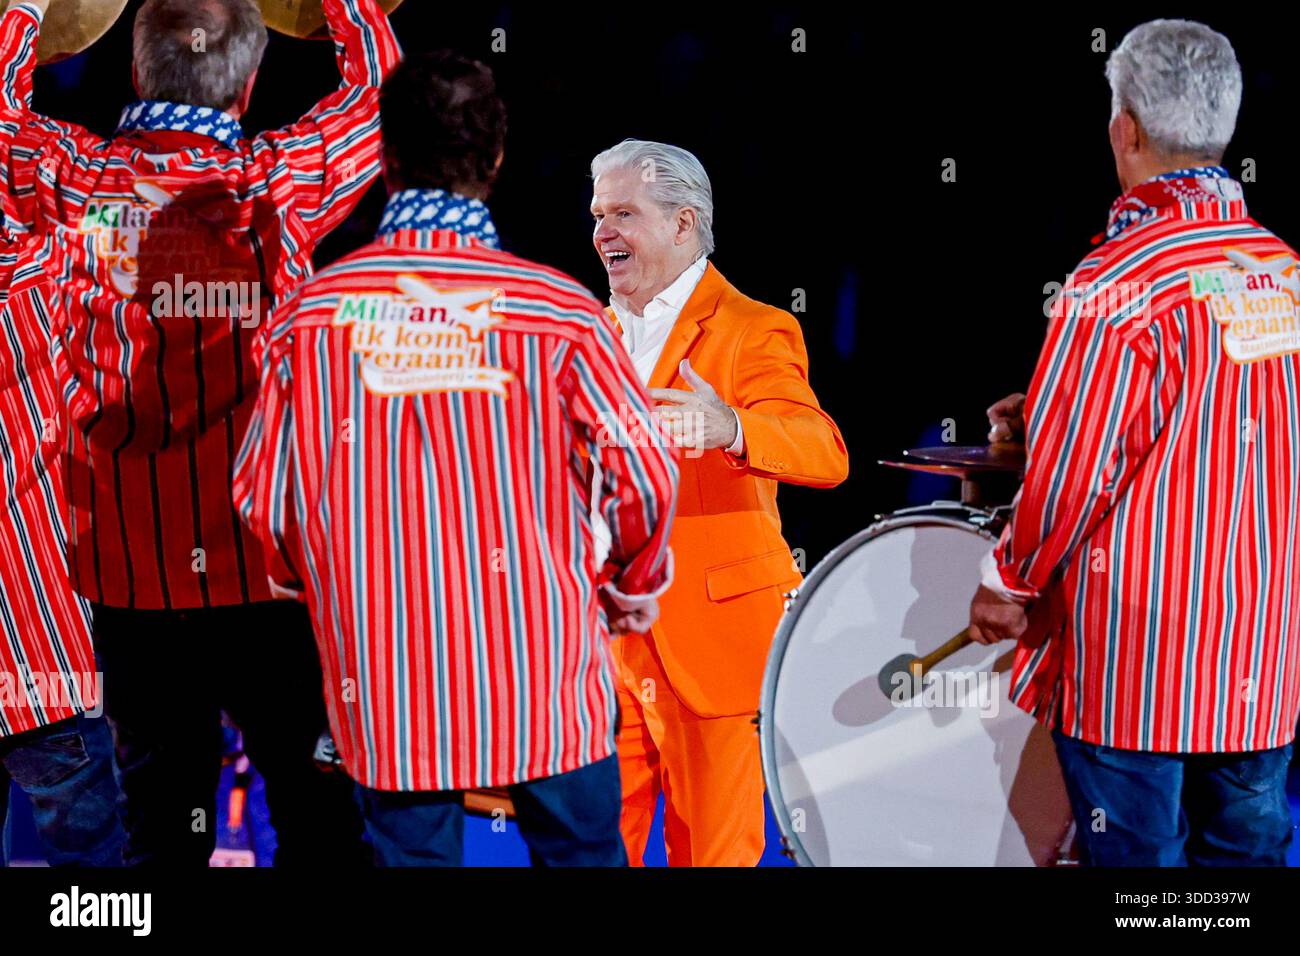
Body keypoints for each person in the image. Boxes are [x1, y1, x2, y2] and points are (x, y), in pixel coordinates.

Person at [234, 50, 679, 866]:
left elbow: (265, 499)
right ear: (497, 157)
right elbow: (643, 472)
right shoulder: (558, 310)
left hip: (385, 688)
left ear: (385, 154)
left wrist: (322, 587)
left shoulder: (312, 315)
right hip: (547, 682)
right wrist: (632, 581)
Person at [0, 0, 401, 866]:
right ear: (252, 82)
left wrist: (27, 12)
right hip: (272, 584)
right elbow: (379, 97)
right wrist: (347, 5)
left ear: (137, 72)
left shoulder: (74, 181)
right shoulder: (279, 180)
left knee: (158, 839)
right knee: (322, 825)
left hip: (133, 594)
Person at [968, 19, 1300, 866]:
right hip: (1259, 660)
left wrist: (1007, 579)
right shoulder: (1284, 269)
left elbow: (1076, 476)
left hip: (1135, 670)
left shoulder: (1116, 281)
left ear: (1126, 128)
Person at [588, 139, 849, 866]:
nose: (604, 232)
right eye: (598, 215)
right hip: (602, 642)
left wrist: (732, 425)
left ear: (682, 223)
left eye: (624, 214)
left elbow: (822, 449)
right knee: (597, 850)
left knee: (715, 855)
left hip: (714, 640)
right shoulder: (590, 335)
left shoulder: (753, 327)